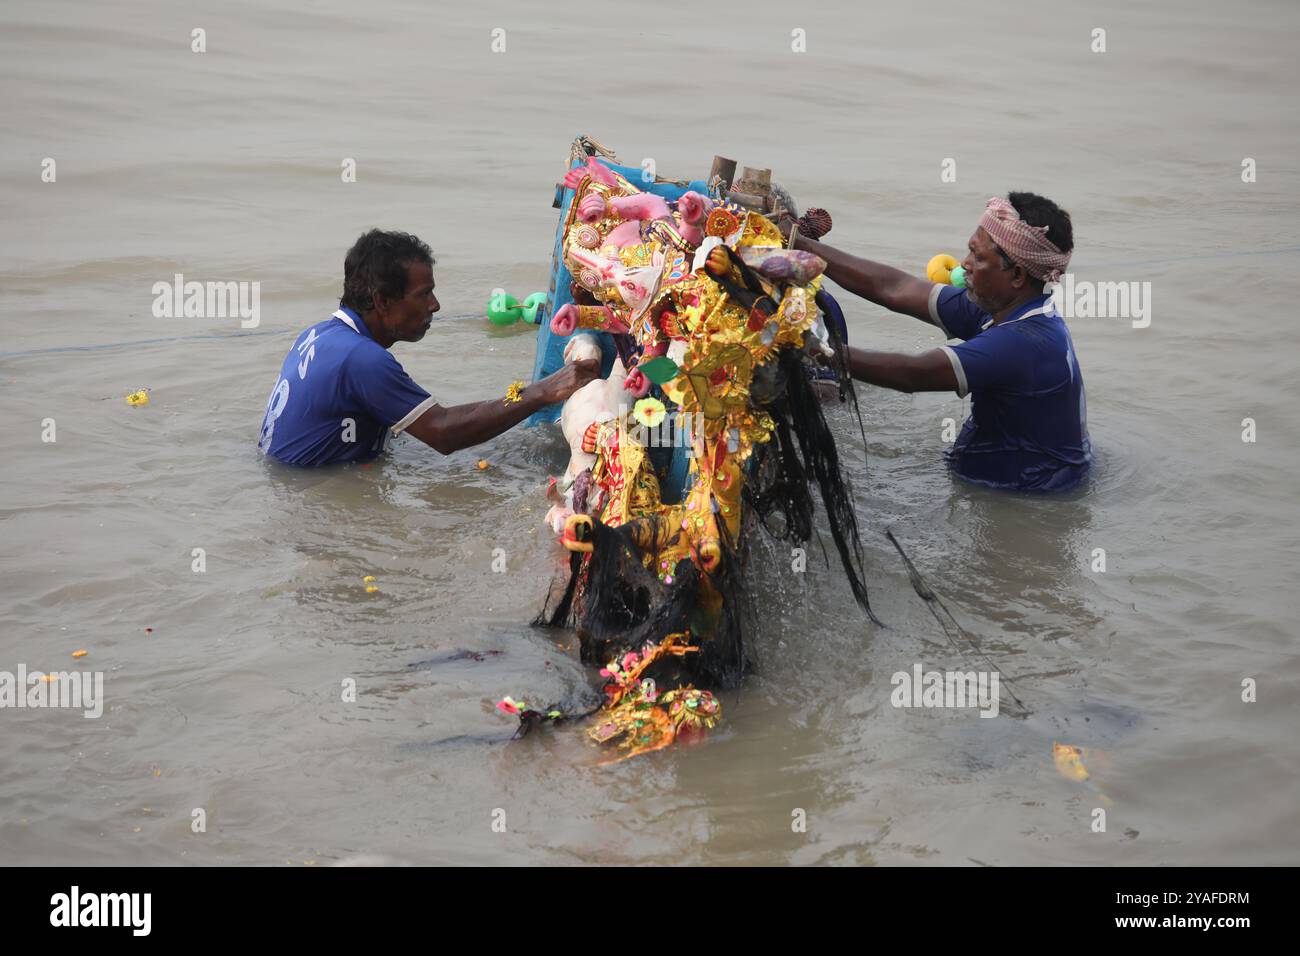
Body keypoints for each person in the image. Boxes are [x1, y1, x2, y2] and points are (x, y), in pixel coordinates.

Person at [785, 192, 1090, 492]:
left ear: (1018, 275)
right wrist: (801, 244)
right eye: (970, 250)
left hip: (1027, 497)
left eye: (978, 257)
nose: (964, 264)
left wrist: (812, 347)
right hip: (1001, 473)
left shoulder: (1024, 342)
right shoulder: (1003, 307)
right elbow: (894, 288)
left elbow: (912, 374)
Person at [258, 229, 599, 466]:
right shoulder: (363, 359)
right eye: (423, 294)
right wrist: (541, 392)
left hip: (289, 476)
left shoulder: (318, 334)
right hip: (312, 492)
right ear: (382, 300)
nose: (435, 306)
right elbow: (443, 433)